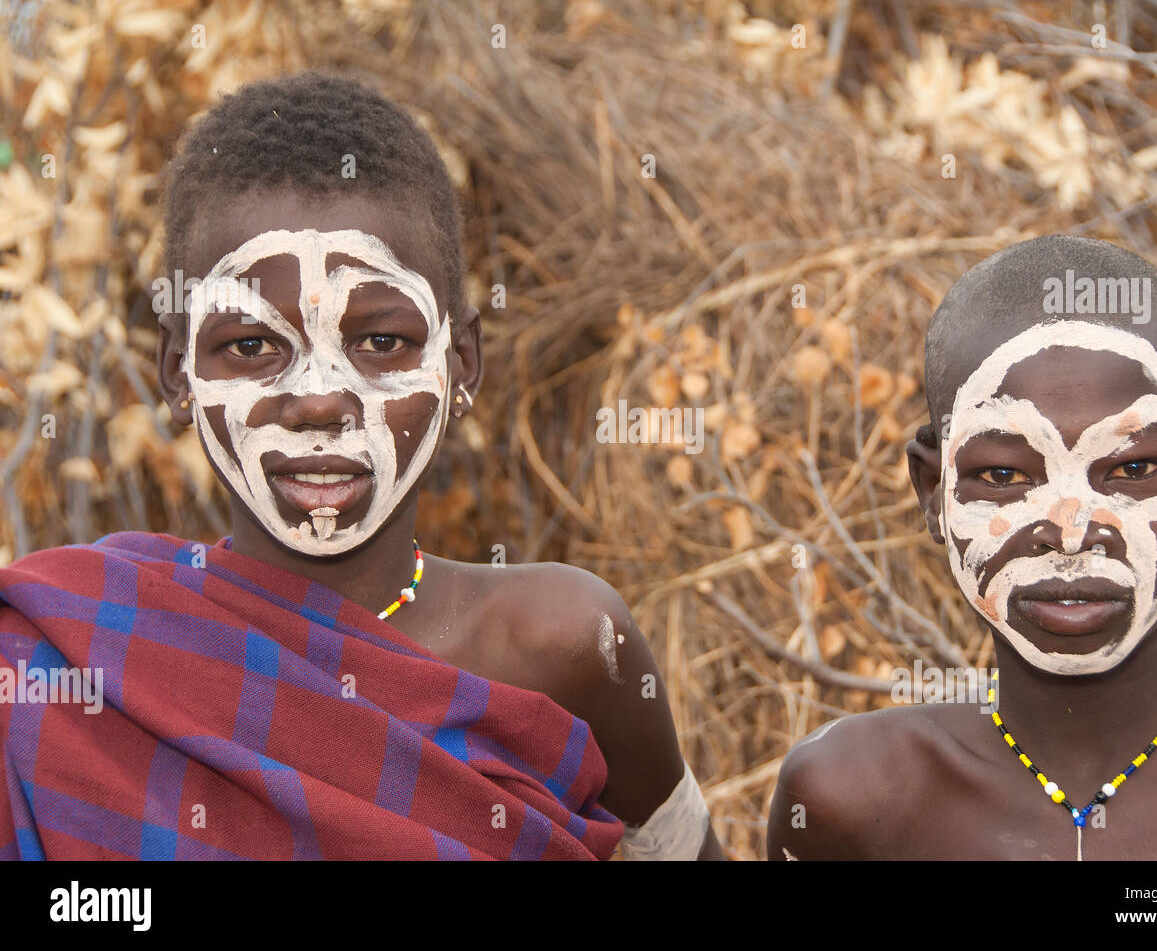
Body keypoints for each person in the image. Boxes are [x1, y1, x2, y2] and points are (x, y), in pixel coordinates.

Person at [0, 71, 721, 860]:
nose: (318, 401)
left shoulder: (568, 645)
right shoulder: (65, 657)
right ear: (179, 373)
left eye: (381, 342)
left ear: (462, 364)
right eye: (251, 345)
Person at [767, 234, 1157, 860]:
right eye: (1004, 476)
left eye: (1130, 470)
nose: (1071, 530)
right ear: (933, 493)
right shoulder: (850, 798)